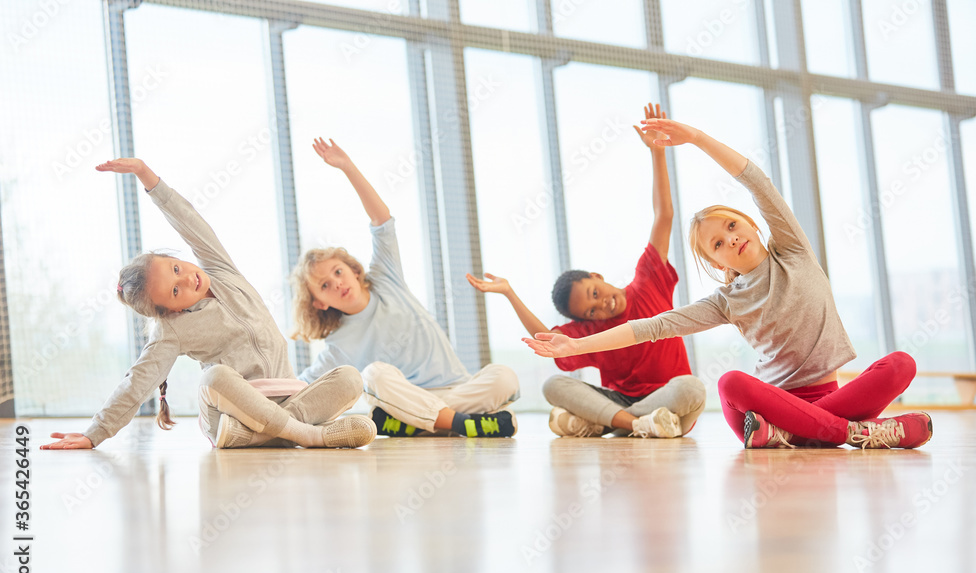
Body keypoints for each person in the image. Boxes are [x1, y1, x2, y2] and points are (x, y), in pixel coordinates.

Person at [523, 118, 933, 450]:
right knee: (730, 384)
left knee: (901, 364)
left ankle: (803, 434)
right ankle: (857, 433)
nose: (731, 239)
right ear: (715, 261)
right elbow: (652, 327)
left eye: (732, 226)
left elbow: (756, 181)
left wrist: (697, 138)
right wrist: (575, 345)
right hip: (774, 405)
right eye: (717, 243)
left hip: (822, 402)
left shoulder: (792, 250)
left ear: (753, 224)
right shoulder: (726, 301)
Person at [43, 158, 376, 451]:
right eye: (174, 291)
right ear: (170, 310)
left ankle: (280, 433)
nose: (186, 279)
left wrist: (147, 176)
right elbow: (137, 381)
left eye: (177, 269)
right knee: (214, 376)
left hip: (285, 399)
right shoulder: (171, 330)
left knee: (350, 378)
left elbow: (189, 221)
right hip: (231, 415)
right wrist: (95, 432)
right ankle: (310, 436)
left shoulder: (220, 270)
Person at [468, 103, 705, 439]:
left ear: (597, 276)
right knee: (554, 385)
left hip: (668, 398)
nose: (601, 305)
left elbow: (663, 215)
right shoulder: (592, 334)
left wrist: (657, 153)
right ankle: (636, 425)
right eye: (591, 310)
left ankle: (605, 422)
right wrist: (509, 292)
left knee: (691, 388)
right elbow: (547, 341)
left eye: (595, 294)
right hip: (624, 402)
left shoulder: (649, 280)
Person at [291, 138, 519, 438]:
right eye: (325, 285)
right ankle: (461, 424)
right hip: (402, 395)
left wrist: (347, 166)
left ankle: (424, 423)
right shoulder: (338, 347)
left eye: (338, 271)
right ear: (319, 302)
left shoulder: (387, 278)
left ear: (355, 271)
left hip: (451, 390)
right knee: (373, 375)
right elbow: (299, 387)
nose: (337, 283)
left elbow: (382, 221)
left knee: (505, 376)